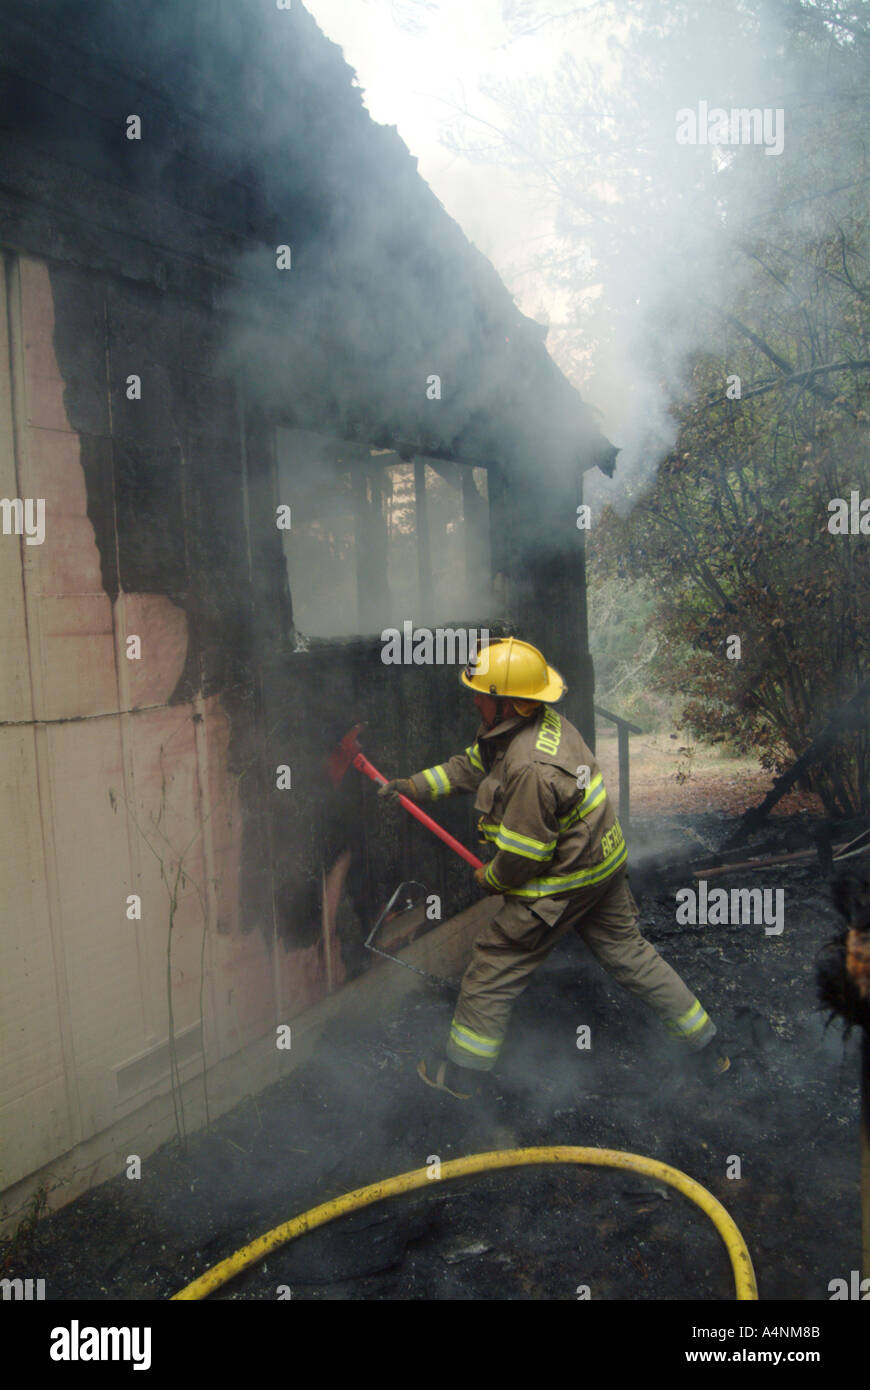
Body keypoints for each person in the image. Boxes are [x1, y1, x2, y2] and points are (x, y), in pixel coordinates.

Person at [379, 636, 730, 1099]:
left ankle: (462, 1077)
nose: (475, 699)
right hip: (602, 866)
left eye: (482, 693)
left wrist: (491, 878)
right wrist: (413, 787)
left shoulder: (530, 768)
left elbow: (525, 858)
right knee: (631, 954)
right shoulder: (543, 725)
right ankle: (709, 1051)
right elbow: (470, 766)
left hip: (563, 884)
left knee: (492, 965)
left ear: (507, 704)